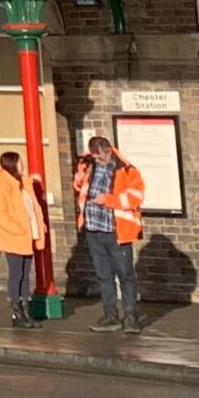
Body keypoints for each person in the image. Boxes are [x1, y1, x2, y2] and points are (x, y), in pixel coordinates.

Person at [72, 133, 146, 333]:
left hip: (116, 231)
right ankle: (110, 315)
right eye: (95, 158)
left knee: (125, 275)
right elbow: (81, 187)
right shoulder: (88, 167)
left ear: (109, 151)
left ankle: (130, 316)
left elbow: (136, 197)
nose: (98, 161)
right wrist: (79, 178)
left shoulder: (127, 171)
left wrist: (109, 200)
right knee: (103, 275)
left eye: (101, 157)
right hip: (93, 229)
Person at [0, 150, 42, 329]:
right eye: (20, 162)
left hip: (26, 237)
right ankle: (16, 312)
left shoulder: (21, 183)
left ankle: (25, 311)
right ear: (13, 164)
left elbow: (30, 206)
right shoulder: (2, 186)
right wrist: (18, 228)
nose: (23, 165)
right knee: (16, 275)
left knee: (25, 275)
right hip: (15, 237)